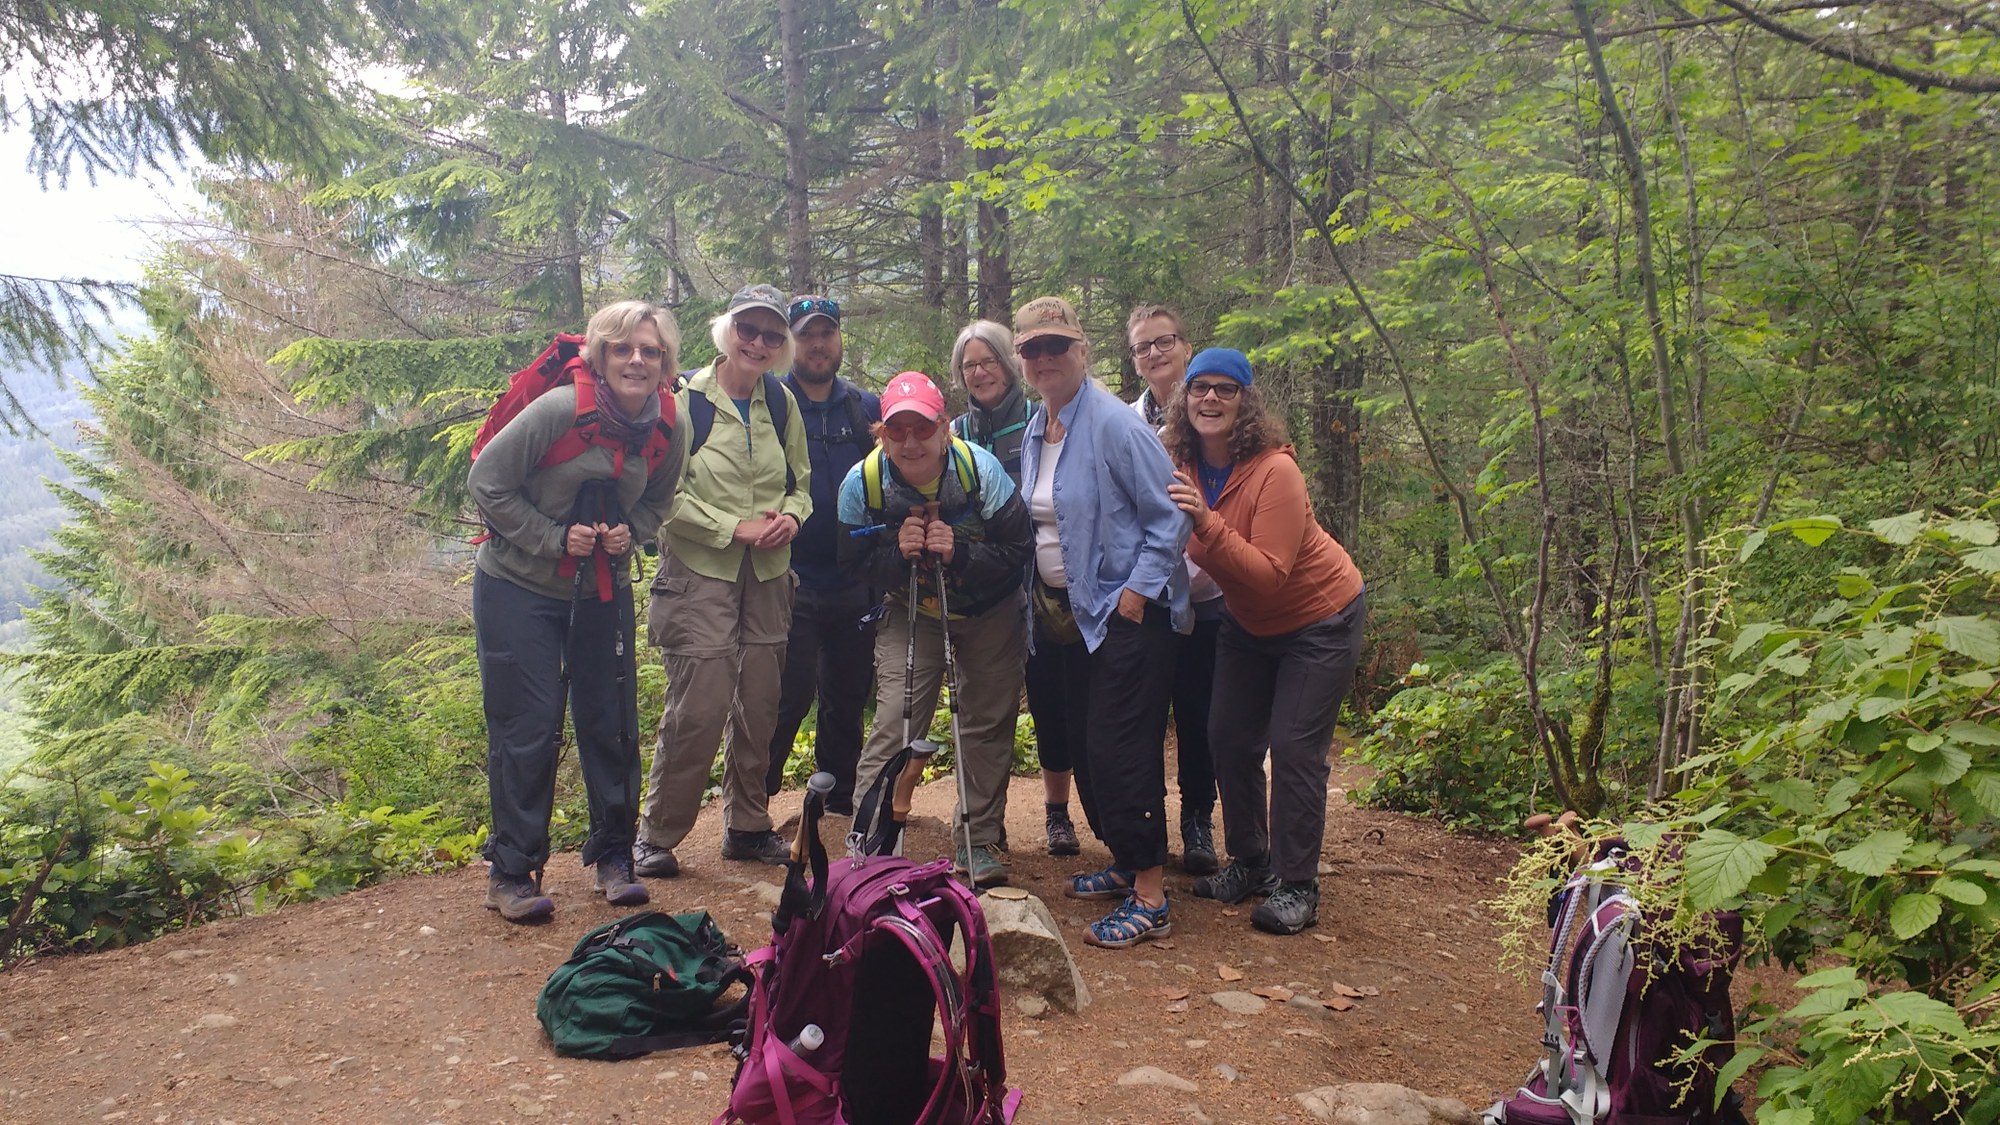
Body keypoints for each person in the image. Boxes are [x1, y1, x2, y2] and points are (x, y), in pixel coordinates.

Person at [468, 299, 688, 922]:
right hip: (517, 585)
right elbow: (487, 481)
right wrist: (551, 538)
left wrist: (631, 531)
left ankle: (614, 857)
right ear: (598, 356)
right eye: (622, 349)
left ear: (665, 362)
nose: (637, 360)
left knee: (610, 720)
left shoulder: (669, 421)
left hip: (601, 587)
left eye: (649, 350)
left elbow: (661, 500)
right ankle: (512, 871)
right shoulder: (558, 410)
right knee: (528, 727)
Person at [1163, 348, 1367, 936]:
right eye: (1200, 387)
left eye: (1226, 390)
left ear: (1245, 402)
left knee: (1295, 748)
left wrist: (1206, 521)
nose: (1210, 399)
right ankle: (1251, 862)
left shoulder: (1277, 471)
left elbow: (1269, 572)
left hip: (1319, 618)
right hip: (1249, 625)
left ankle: (1298, 883)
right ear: (1186, 397)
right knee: (1227, 736)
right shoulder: (1182, 459)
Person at [1015, 295, 1191, 949]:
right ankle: (1123, 858)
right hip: (1078, 620)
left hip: (1128, 620)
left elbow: (1170, 513)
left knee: (1123, 749)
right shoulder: (1040, 428)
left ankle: (1151, 894)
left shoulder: (1115, 424)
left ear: (1081, 352)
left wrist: (1138, 594)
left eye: (1056, 346)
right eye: (1033, 348)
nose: (1045, 358)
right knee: (1091, 749)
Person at [636, 283, 812, 877]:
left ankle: (747, 824)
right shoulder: (685, 399)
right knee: (700, 703)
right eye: (748, 330)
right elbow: (663, 494)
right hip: (699, 571)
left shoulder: (782, 405)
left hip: (768, 574)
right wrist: (731, 528)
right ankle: (657, 834)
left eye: (771, 334)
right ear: (727, 331)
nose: (758, 343)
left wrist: (792, 516)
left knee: (761, 703)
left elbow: (801, 483)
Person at [842, 372, 1031, 887]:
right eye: (896, 430)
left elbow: (1019, 550)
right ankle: (870, 841)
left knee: (986, 722)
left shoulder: (979, 471)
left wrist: (962, 552)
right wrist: (891, 554)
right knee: (898, 720)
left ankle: (979, 839)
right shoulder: (863, 482)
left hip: (989, 610)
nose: (910, 442)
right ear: (881, 433)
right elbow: (850, 560)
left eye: (922, 428)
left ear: (943, 427)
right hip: (911, 609)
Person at [948, 318, 1079, 858]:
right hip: (983, 587)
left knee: (1055, 702)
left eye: (989, 361)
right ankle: (988, 822)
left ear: (1009, 364)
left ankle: (1059, 813)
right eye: (970, 365)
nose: (981, 372)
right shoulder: (953, 430)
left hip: (1044, 588)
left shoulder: (1035, 419)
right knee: (988, 708)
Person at [763, 295, 882, 815]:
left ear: (838, 340)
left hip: (855, 577)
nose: (817, 343)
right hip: (789, 577)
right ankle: (753, 805)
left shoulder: (865, 407)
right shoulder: (770, 402)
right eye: (807, 334)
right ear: (791, 342)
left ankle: (836, 798)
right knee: (784, 698)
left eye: (826, 333)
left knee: (848, 696)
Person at [1127, 304, 1223, 876]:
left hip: (1209, 592)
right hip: (1152, 593)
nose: (1156, 353)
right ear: (1134, 360)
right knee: (1143, 715)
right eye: (1144, 347)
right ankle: (1147, 831)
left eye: (1165, 342)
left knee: (1200, 713)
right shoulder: (1126, 420)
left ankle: (1198, 822)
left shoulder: (1217, 409)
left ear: (1186, 345)